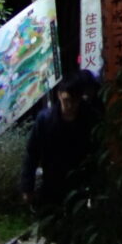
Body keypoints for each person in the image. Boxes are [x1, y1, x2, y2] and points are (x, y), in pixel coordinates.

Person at [21, 70, 102, 216]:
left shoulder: (90, 118)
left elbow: (97, 151)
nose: (69, 105)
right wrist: (27, 187)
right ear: (59, 95)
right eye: (66, 100)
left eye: (74, 101)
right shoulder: (45, 120)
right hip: (52, 181)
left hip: (80, 183)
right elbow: (32, 154)